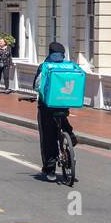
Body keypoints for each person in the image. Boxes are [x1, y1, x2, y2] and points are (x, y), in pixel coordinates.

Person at [32, 41, 77, 181]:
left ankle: (50, 169)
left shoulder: (45, 66)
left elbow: (37, 85)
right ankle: (70, 134)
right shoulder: (69, 66)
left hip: (46, 106)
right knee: (62, 116)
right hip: (64, 103)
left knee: (47, 136)